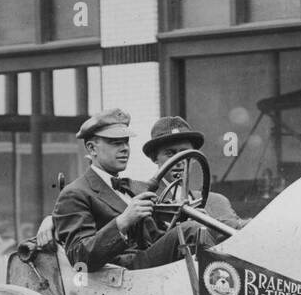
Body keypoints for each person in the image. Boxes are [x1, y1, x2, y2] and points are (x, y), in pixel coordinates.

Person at [52, 108, 215, 272]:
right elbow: (79, 258)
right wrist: (123, 221)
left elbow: (158, 238)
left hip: (150, 269)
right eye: (115, 143)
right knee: (191, 231)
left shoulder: (136, 188)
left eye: (126, 142)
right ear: (92, 148)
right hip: (123, 275)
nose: (125, 148)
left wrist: (186, 219)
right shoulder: (75, 193)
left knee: (200, 229)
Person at [141, 115, 245, 229]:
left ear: (194, 157)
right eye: (170, 154)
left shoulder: (217, 202)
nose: (179, 161)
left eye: (185, 153)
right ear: (154, 158)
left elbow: (242, 231)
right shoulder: (147, 202)